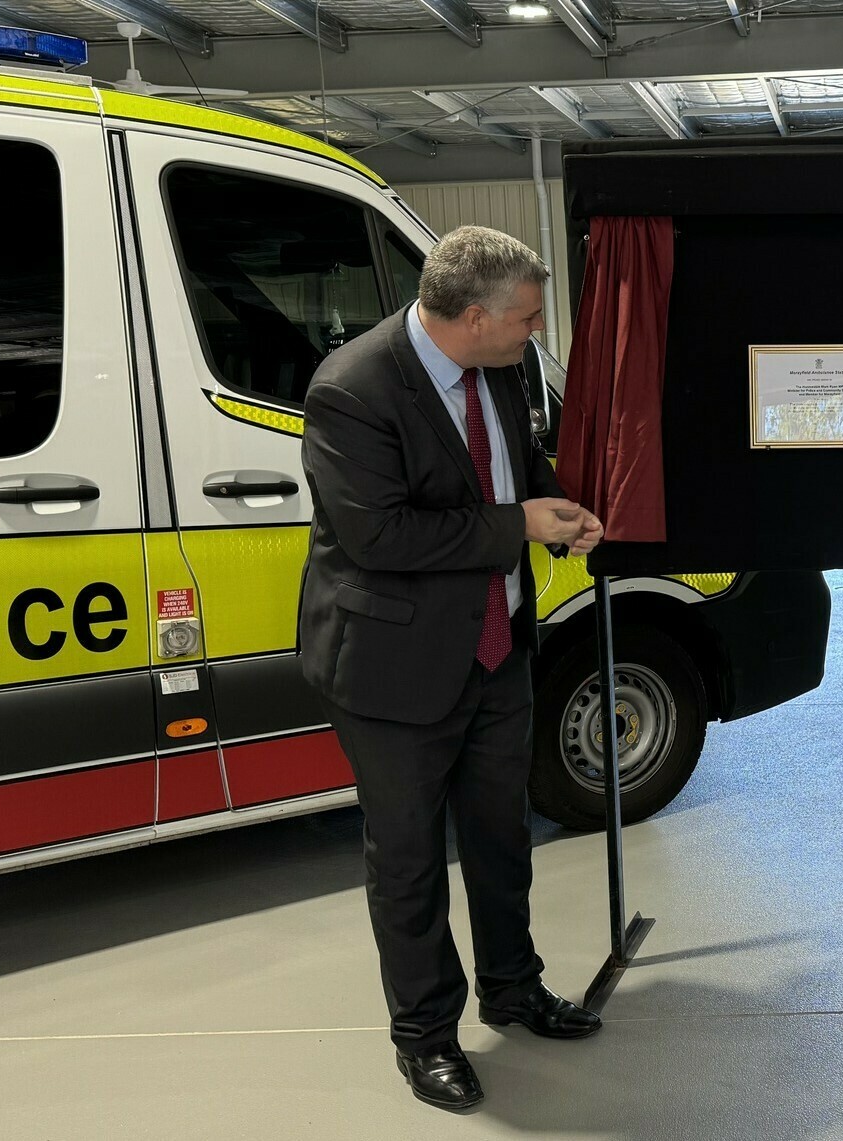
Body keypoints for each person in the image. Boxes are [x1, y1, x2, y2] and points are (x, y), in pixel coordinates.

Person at [299, 225, 607, 1113]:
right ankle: (425, 1037)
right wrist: (520, 525)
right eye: (528, 318)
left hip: (497, 652)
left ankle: (512, 989)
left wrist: (558, 506)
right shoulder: (352, 389)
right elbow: (380, 535)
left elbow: (513, 466)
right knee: (409, 863)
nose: (536, 332)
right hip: (395, 668)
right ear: (474, 315)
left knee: (502, 838)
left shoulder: (500, 367)